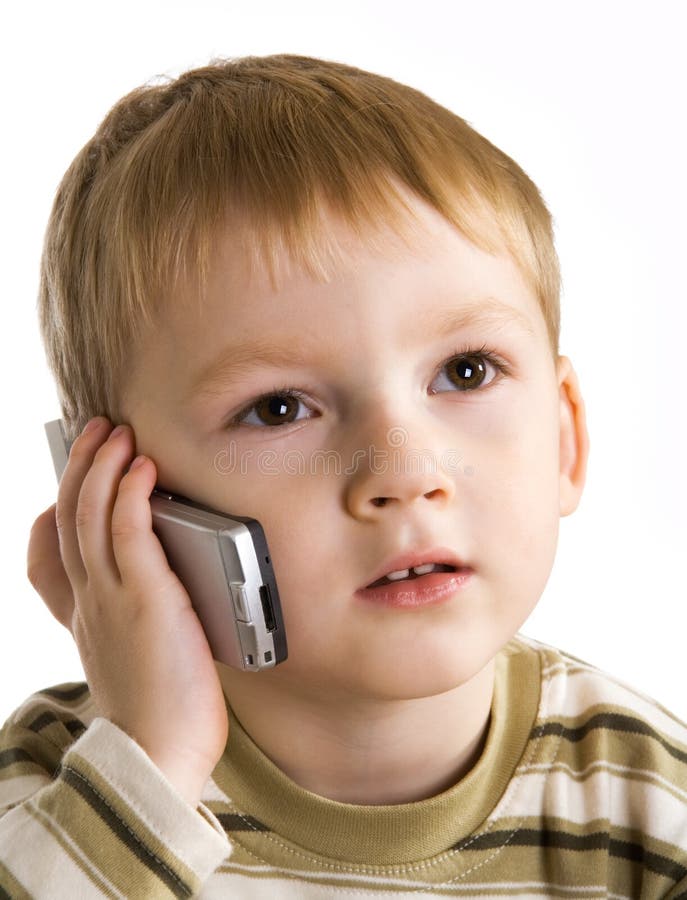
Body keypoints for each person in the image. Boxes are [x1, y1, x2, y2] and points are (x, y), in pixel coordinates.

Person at [0, 53, 685, 899]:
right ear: (112, 503)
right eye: (279, 408)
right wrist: (153, 762)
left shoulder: (651, 801)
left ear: (564, 438)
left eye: (465, 372)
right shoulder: (63, 797)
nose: (403, 474)